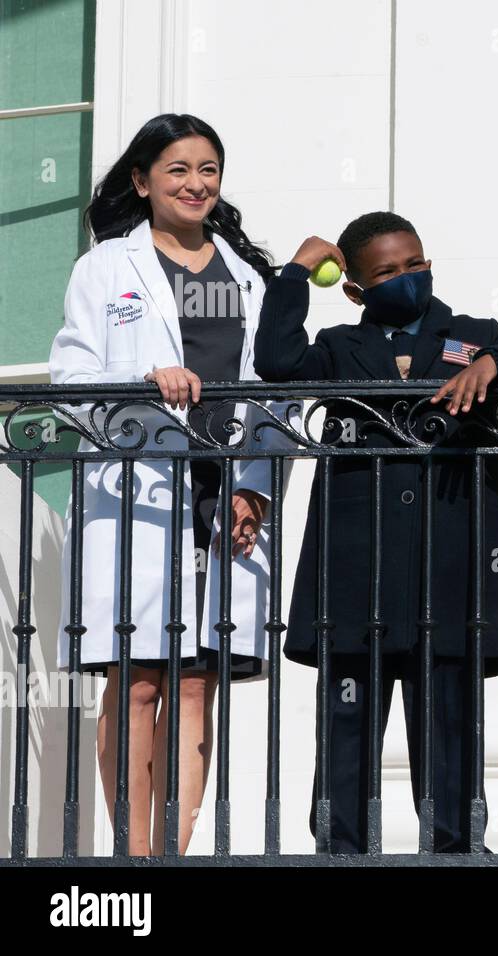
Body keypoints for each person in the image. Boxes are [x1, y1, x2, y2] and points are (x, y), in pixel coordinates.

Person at [254, 211, 498, 853]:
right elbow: (275, 360)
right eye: (388, 272)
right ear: (355, 288)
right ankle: (340, 845)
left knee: (450, 720)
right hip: (356, 571)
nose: (407, 278)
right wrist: (292, 273)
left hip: (449, 571)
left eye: (416, 264)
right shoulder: (339, 347)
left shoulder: (474, 336)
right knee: (346, 719)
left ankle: (456, 845)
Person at [49, 113, 277, 855]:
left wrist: (257, 490)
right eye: (177, 170)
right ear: (143, 182)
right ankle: (133, 856)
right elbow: (71, 381)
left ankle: (174, 857)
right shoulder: (108, 269)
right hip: (136, 495)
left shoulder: (249, 278)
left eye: (208, 168)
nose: (195, 183)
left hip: (224, 492)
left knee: (194, 683)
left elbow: (277, 395)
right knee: (139, 678)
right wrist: (144, 381)